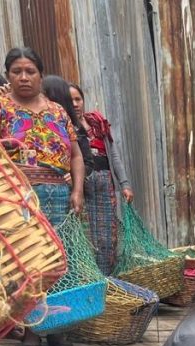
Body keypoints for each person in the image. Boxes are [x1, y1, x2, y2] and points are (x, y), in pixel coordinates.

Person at [0, 47, 84, 346]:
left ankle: (57, 329)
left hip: (57, 194)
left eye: (30, 71)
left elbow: (76, 155)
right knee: (26, 262)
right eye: (16, 71)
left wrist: (77, 190)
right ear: (8, 75)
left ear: (41, 75)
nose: (24, 77)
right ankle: (30, 329)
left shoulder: (57, 110)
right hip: (17, 195)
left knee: (59, 263)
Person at [70, 83, 135, 274]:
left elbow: (114, 157)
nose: (75, 104)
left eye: (78, 99)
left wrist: (125, 184)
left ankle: (109, 279)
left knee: (108, 235)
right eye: (71, 100)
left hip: (105, 184)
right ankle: (92, 279)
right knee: (89, 235)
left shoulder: (97, 124)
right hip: (83, 187)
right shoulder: (65, 126)